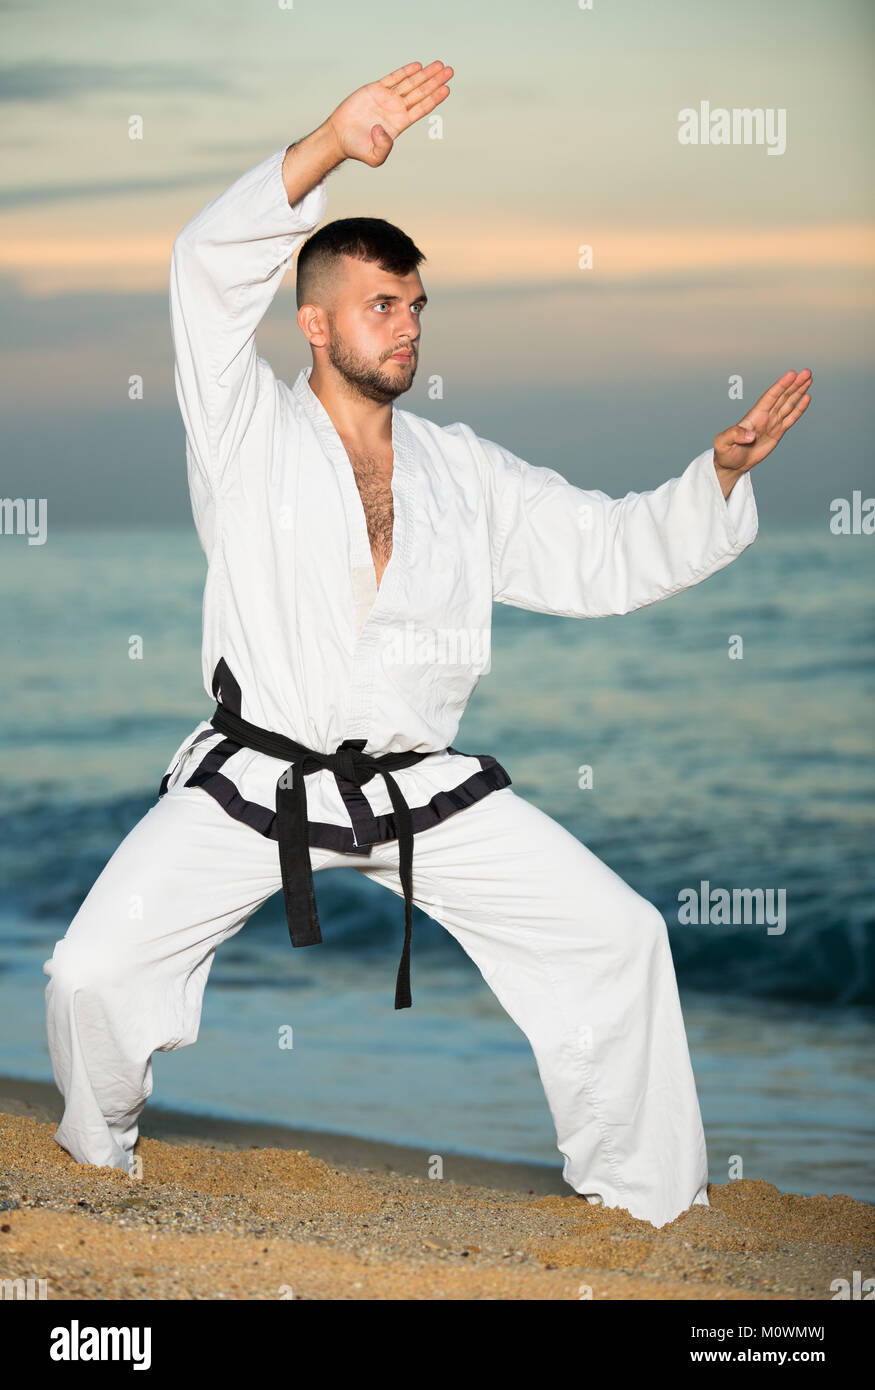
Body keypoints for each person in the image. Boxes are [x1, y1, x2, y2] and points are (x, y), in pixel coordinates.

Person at [42, 61, 813, 1229]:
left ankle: (652, 1204)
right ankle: (92, 1167)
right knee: (91, 976)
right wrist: (330, 144)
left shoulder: (463, 471)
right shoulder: (244, 428)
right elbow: (202, 266)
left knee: (619, 936)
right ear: (314, 321)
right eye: (379, 305)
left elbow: (599, 551)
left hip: (416, 788)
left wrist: (710, 480)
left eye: (415, 307)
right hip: (260, 774)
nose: (404, 328)